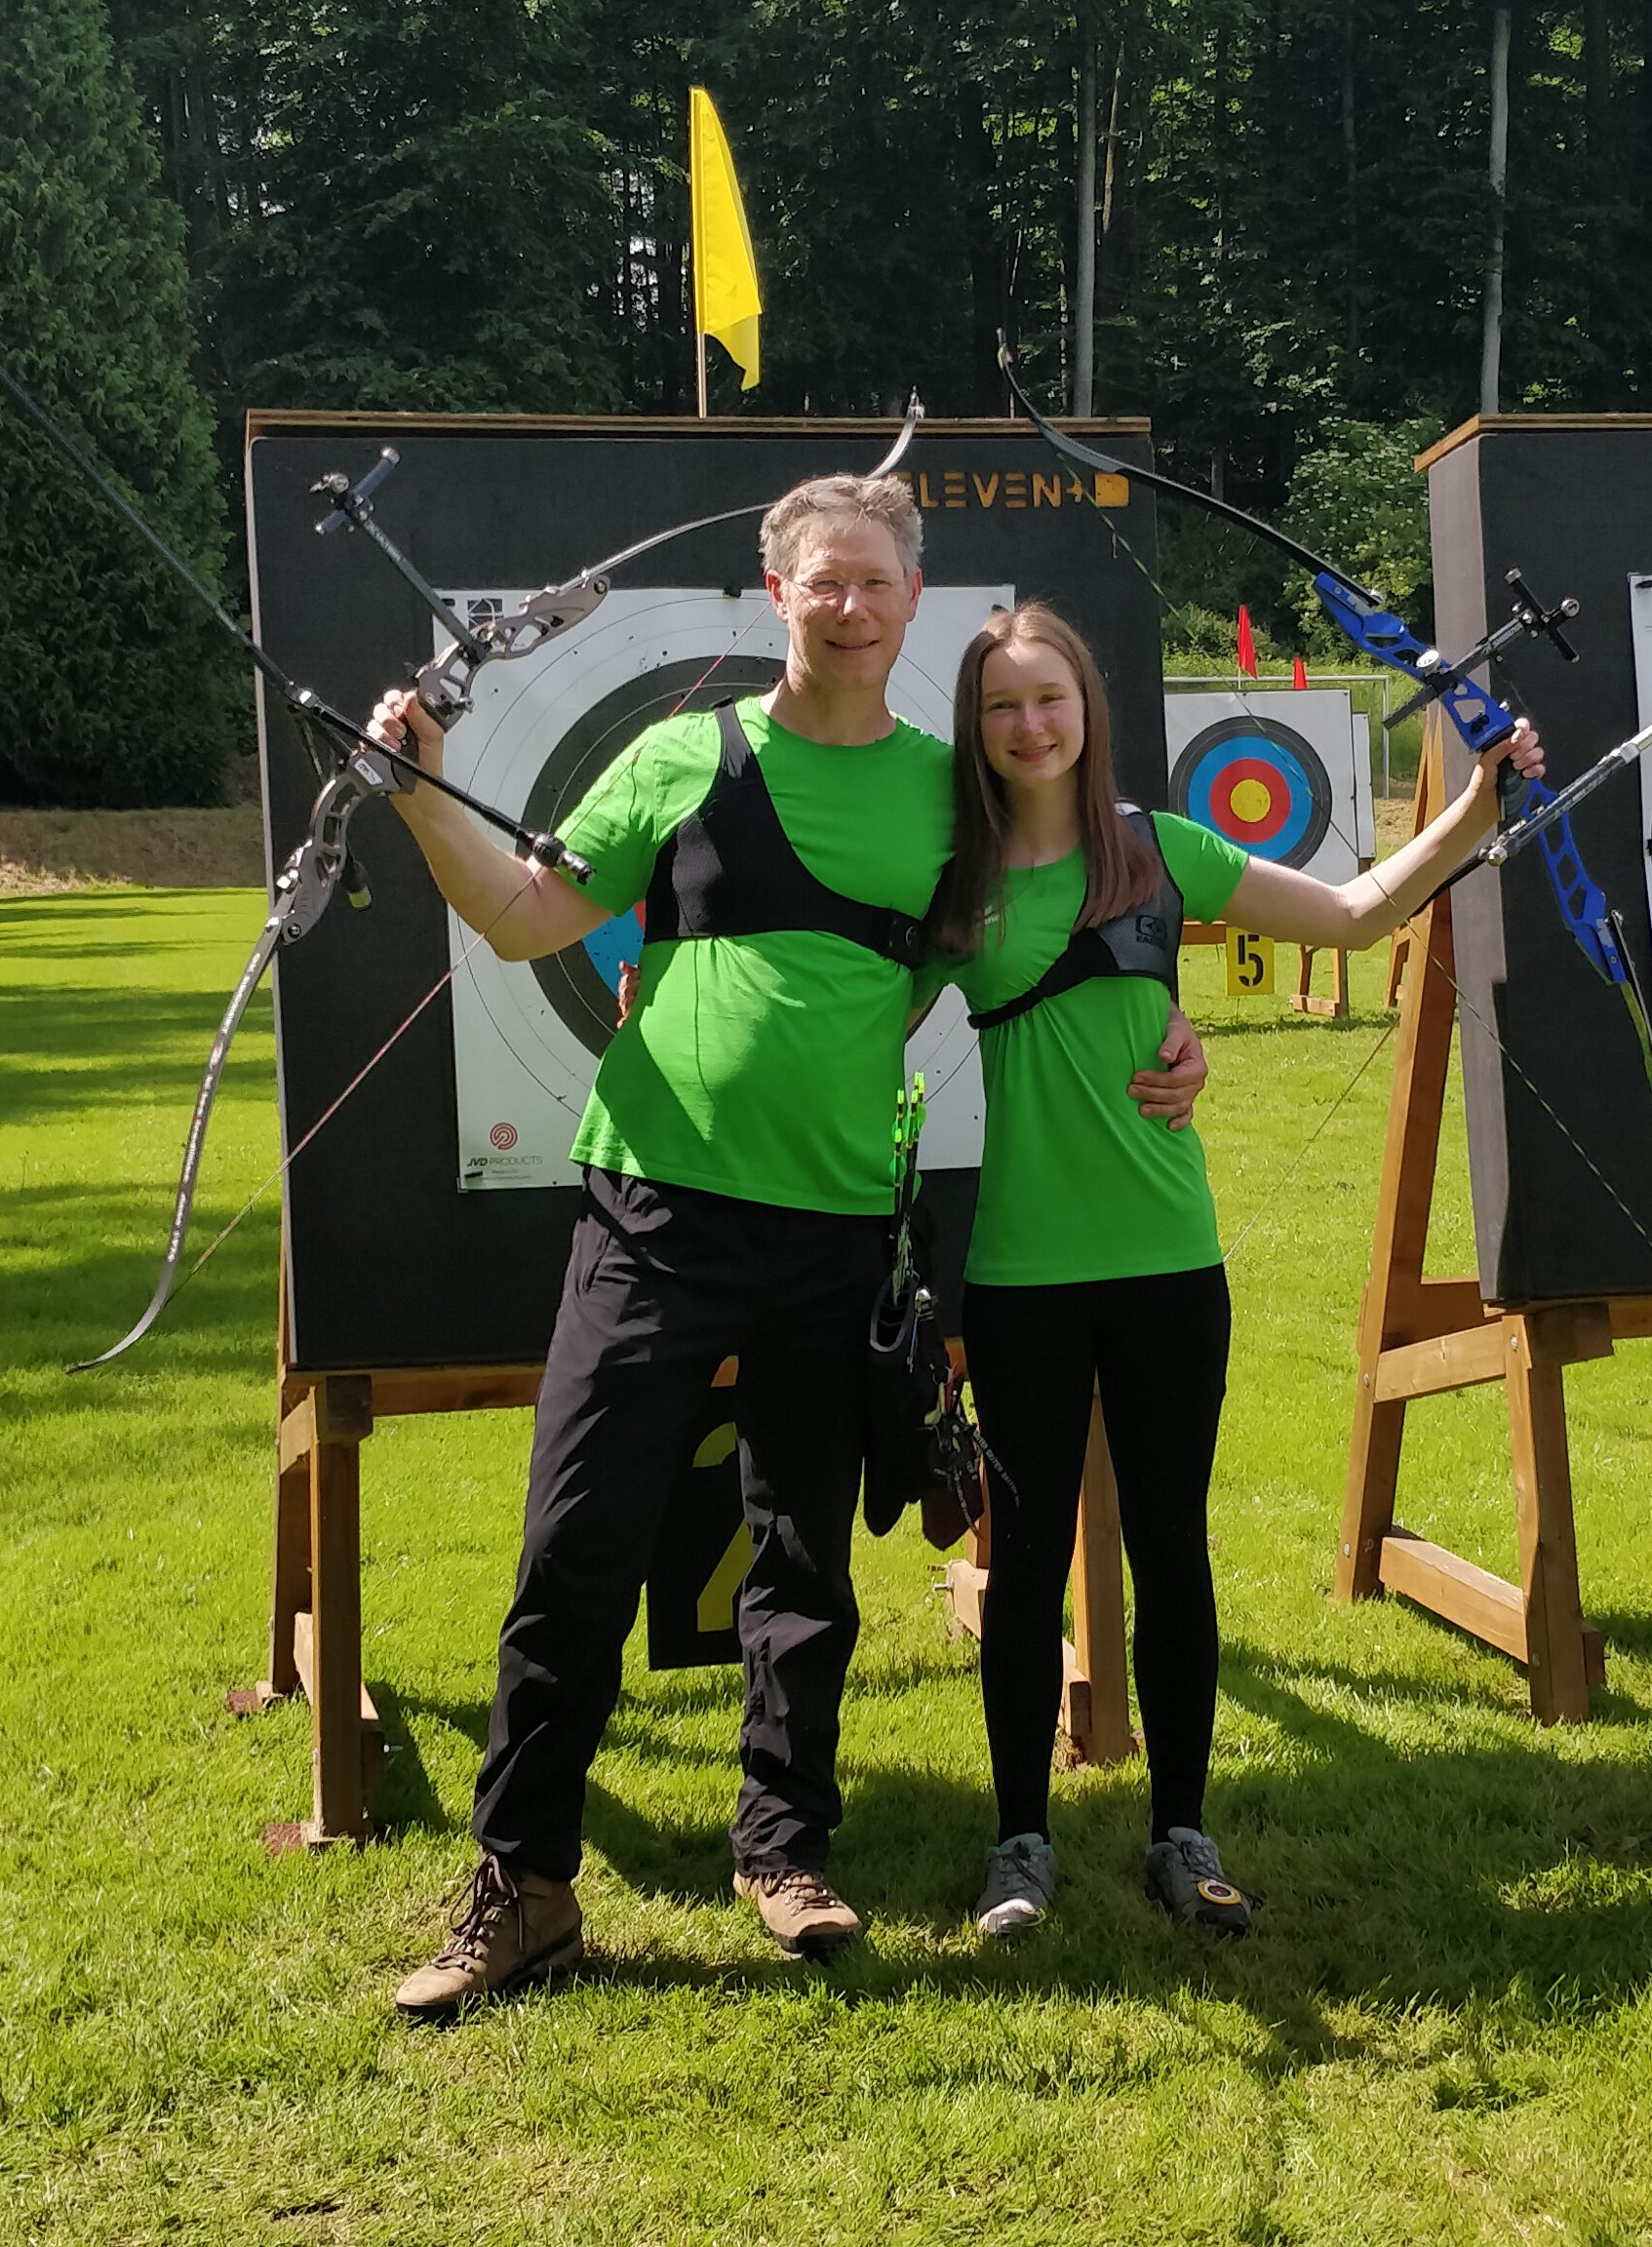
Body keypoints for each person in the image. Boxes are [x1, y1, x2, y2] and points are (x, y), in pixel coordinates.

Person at [365, 477, 1208, 2013]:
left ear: (912, 598)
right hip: (654, 1207)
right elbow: (524, 915)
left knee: (804, 1557)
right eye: (823, 581)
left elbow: (1073, 919)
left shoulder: (955, 796)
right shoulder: (684, 755)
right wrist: (420, 789)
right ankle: (523, 1885)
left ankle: (785, 1848)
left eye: (876, 583)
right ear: (778, 593)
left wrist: (1176, 1032)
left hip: (838, 1230)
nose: (850, 606)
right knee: (578, 1546)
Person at [925, 603, 1544, 1940]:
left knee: (1173, 1549)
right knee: (1027, 1565)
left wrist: (1479, 806)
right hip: (1021, 1272)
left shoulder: (1160, 850)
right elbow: (846, 1016)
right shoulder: (957, 884)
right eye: (1002, 706)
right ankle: (1020, 1845)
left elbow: (1356, 915)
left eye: (1052, 698)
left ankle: (1181, 1834)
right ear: (974, 730)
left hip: (1166, 1262)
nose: (1031, 725)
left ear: (1087, 709)